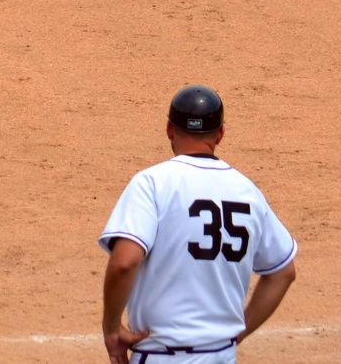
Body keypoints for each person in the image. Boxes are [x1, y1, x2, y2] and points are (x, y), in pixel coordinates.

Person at [100, 86, 297, 364]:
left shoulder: (152, 183)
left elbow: (124, 262)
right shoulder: (247, 191)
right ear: (220, 134)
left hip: (161, 357)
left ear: (169, 130)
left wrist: (111, 328)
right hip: (221, 357)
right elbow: (283, 271)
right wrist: (235, 334)